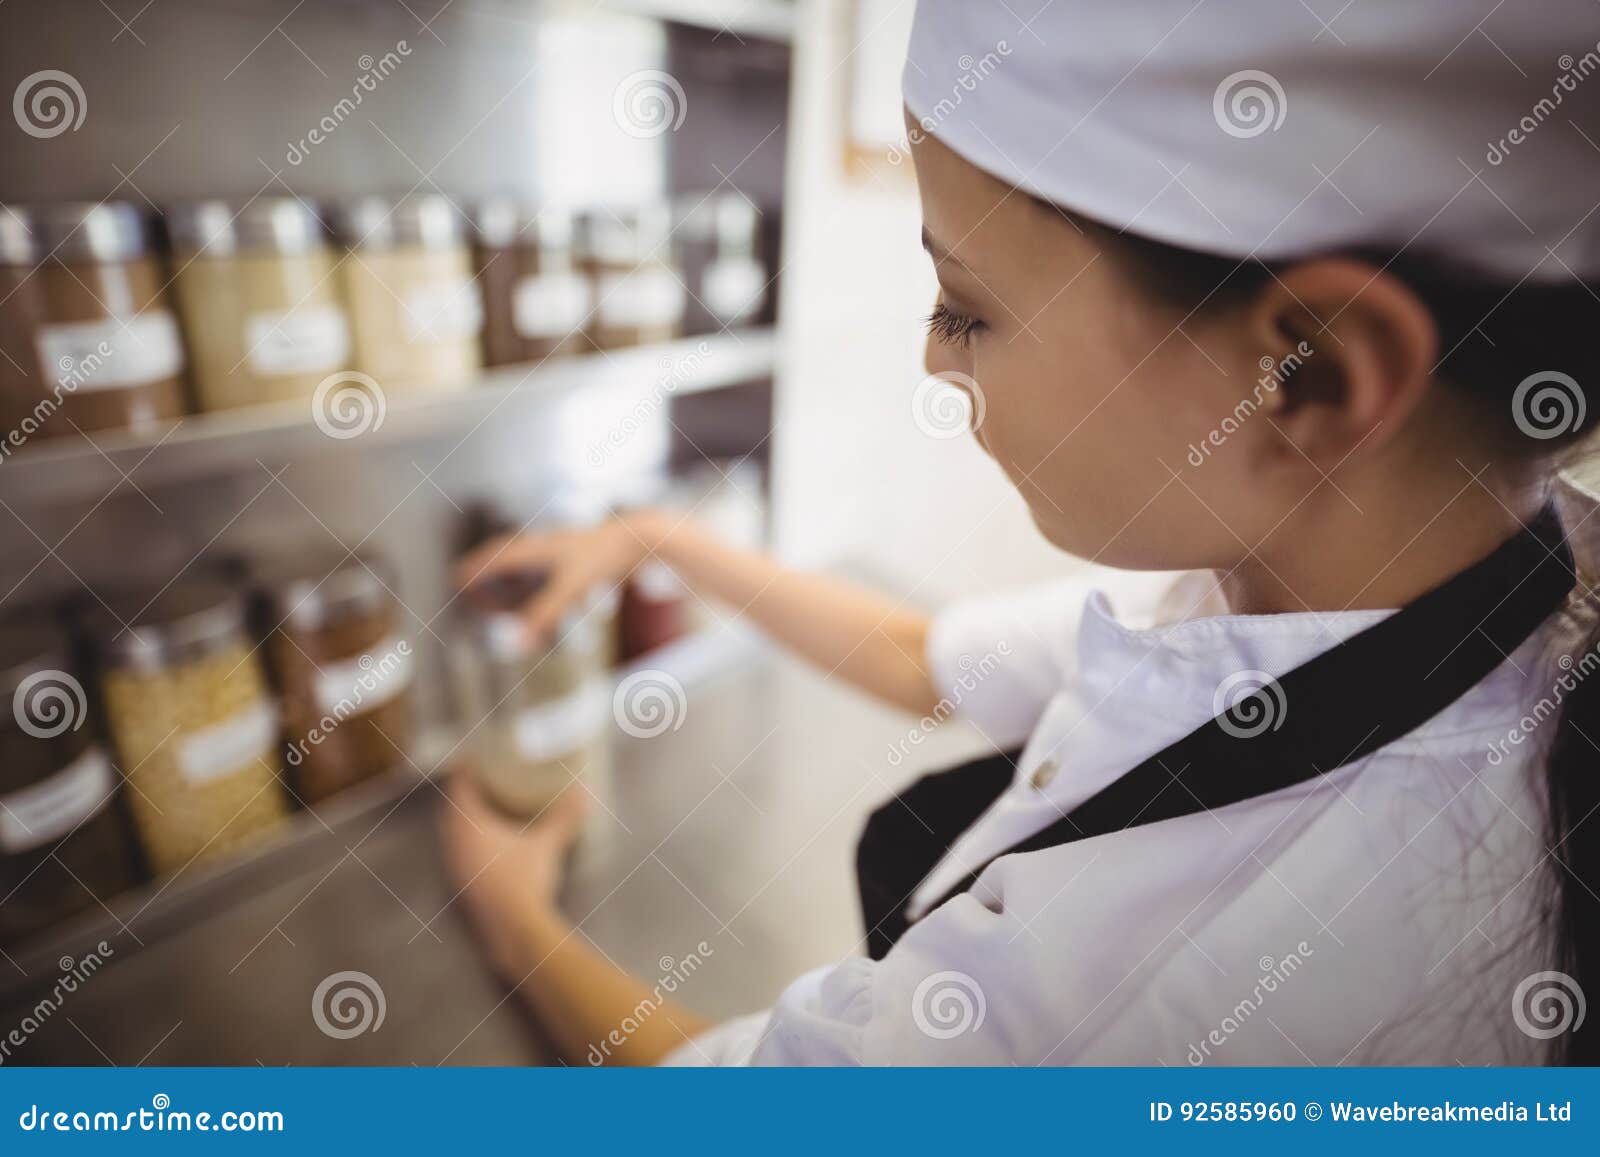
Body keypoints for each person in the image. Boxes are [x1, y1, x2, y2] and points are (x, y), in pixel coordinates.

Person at [442, 0, 1600, 1065]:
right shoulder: (1336, 593)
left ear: (1313, 373)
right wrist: (655, 537)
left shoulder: (1208, 984)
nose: (936, 359)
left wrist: (507, 912)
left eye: (969, 306)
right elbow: (921, 655)